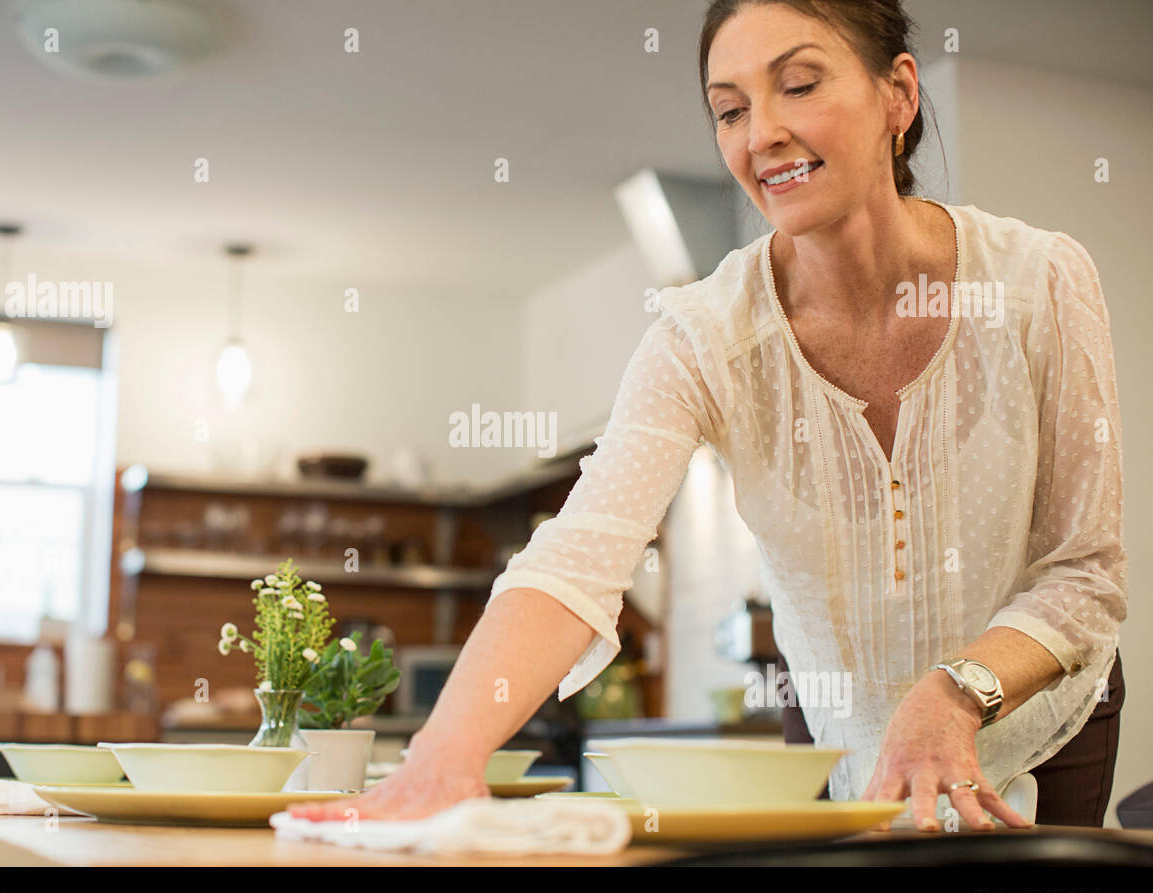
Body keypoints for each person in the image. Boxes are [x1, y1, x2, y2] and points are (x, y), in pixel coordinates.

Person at [291, 0, 1127, 831]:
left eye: (798, 84)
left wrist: (953, 693)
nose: (760, 133)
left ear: (897, 96)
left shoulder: (1039, 283)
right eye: (729, 110)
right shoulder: (704, 335)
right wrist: (442, 761)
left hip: (1040, 721)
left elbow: (1083, 572)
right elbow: (577, 557)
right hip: (842, 736)